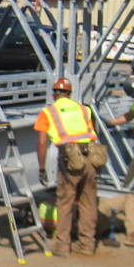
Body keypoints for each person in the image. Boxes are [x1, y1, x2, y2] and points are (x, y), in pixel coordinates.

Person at [35, 77, 102, 256]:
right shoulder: (83, 109)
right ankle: (87, 243)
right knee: (88, 202)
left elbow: (42, 143)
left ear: (53, 95)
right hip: (93, 156)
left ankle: (62, 245)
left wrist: (42, 168)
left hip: (71, 158)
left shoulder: (48, 112)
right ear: (70, 94)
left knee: (65, 202)